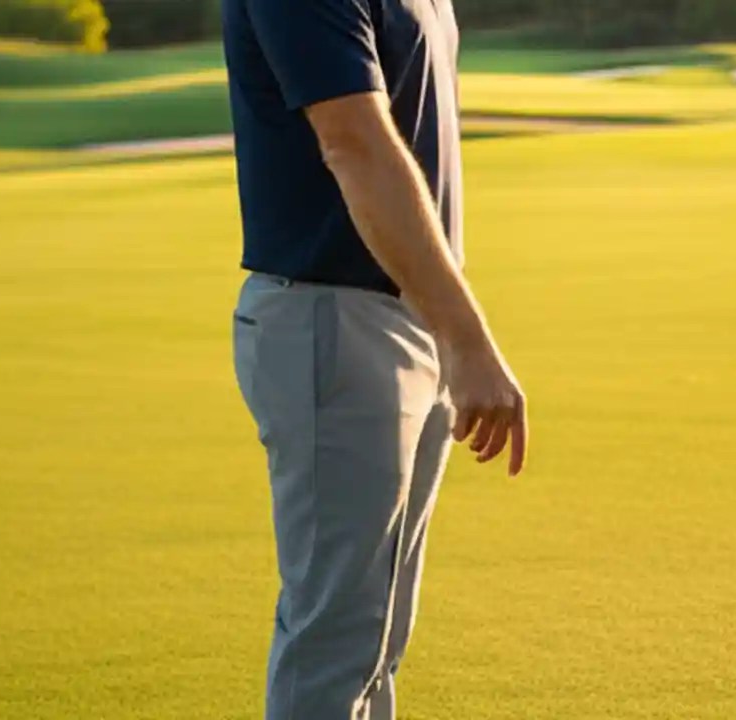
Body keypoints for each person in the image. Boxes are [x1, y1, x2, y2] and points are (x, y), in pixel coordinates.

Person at [222, 0, 529, 718]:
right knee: (336, 643)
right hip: (335, 318)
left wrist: (446, 321)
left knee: (376, 640)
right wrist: (466, 335)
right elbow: (354, 142)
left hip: (403, 314)